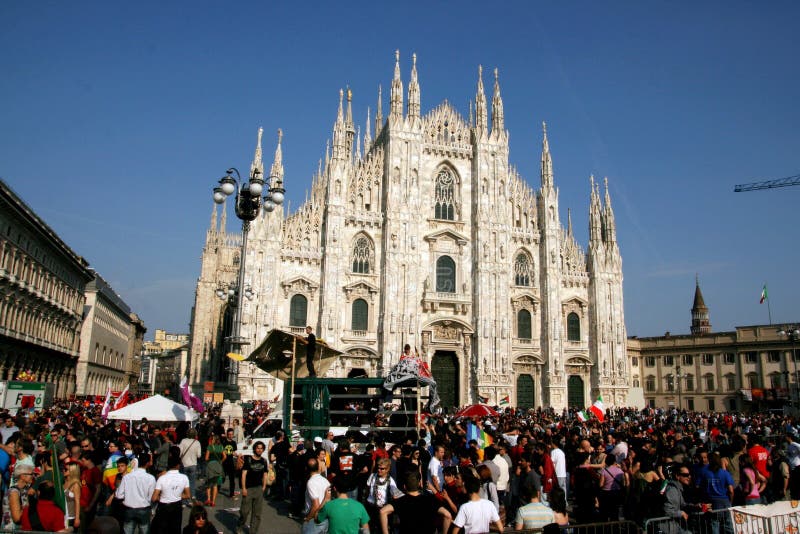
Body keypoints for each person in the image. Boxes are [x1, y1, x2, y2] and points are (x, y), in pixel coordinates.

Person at [379, 471, 451, 534]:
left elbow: (382, 511)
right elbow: (447, 515)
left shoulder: (401, 501)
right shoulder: (430, 500)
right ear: (419, 484)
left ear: (404, 486)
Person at [151, 448, 191, 534]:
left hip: (163, 507)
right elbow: (188, 495)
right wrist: (177, 495)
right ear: (178, 465)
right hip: (177, 507)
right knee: (175, 529)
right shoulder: (184, 478)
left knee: (162, 530)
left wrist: (162, 497)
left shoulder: (162, 478)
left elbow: (154, 498)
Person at [115, 452, 156, 534]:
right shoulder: (151, 478)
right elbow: (152, 497)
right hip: (144, 509)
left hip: (129, 510)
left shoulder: (127, 477)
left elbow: (119, 495)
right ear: (147, 463)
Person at [363, 458, 402, 533]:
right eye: (378, 468)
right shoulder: (372, 476)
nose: (379, 470)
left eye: (382, 469)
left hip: (382, 509)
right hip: (371, 508)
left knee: (381, 530)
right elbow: (367, 489)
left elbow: (397, 495)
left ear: (387, 469)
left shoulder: (390, 481)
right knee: (370, 530)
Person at [238, 441, 268, 534]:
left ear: (263, 450)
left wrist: (264, 487)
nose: (259, 450)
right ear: (255, 449)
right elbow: (244, 474)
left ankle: (253, 531)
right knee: (244, 512)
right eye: (258, 448)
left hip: (258, 489)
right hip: (248, 489)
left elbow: (265, 474)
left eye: (261, 448)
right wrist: (243, 488)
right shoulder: (249, 459)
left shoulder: (264, 461)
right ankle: (240, 526)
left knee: (257, 514)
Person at [1, 462, 35, 531]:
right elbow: (17, 518)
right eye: (31, 474)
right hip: (11, 530)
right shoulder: (14, 492)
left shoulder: (25, 490)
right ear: (22, 476)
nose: (33, 476)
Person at [302, 457, 330, 534]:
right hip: (325, 518)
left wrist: (308, 519)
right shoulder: (325, 481)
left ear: (306, 469)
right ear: (318, 467)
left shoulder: (311, 482)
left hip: (314, 518)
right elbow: (329, 499)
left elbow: (315, 504)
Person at [178, 429, 201, 500]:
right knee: (192, 482)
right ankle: (193, 496)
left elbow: (179, 452)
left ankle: (185, 500)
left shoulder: (183, 441)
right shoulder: (197, 442)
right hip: (193, 464)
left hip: (184, 464)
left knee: (184, 483)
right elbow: (199, 455)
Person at [204, 434, 226, 507]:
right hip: (218, 466)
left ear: (213, 439)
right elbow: (225, 456)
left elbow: (206, 458)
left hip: (210, 465)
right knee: (215, 484)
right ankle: (213, 502)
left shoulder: (210, 447)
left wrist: (209, 461)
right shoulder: (221, 447)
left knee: (209, 484)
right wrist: (220, 461)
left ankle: (208, 499)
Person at [63, 462, 82, 530]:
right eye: (64, 469)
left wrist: (77, 518)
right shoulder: (64, 481)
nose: (63, 470)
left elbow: (77, 502)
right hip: (63, 516)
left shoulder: (75, 484)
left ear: (72, 471)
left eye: (66, 469)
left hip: (71, 517)